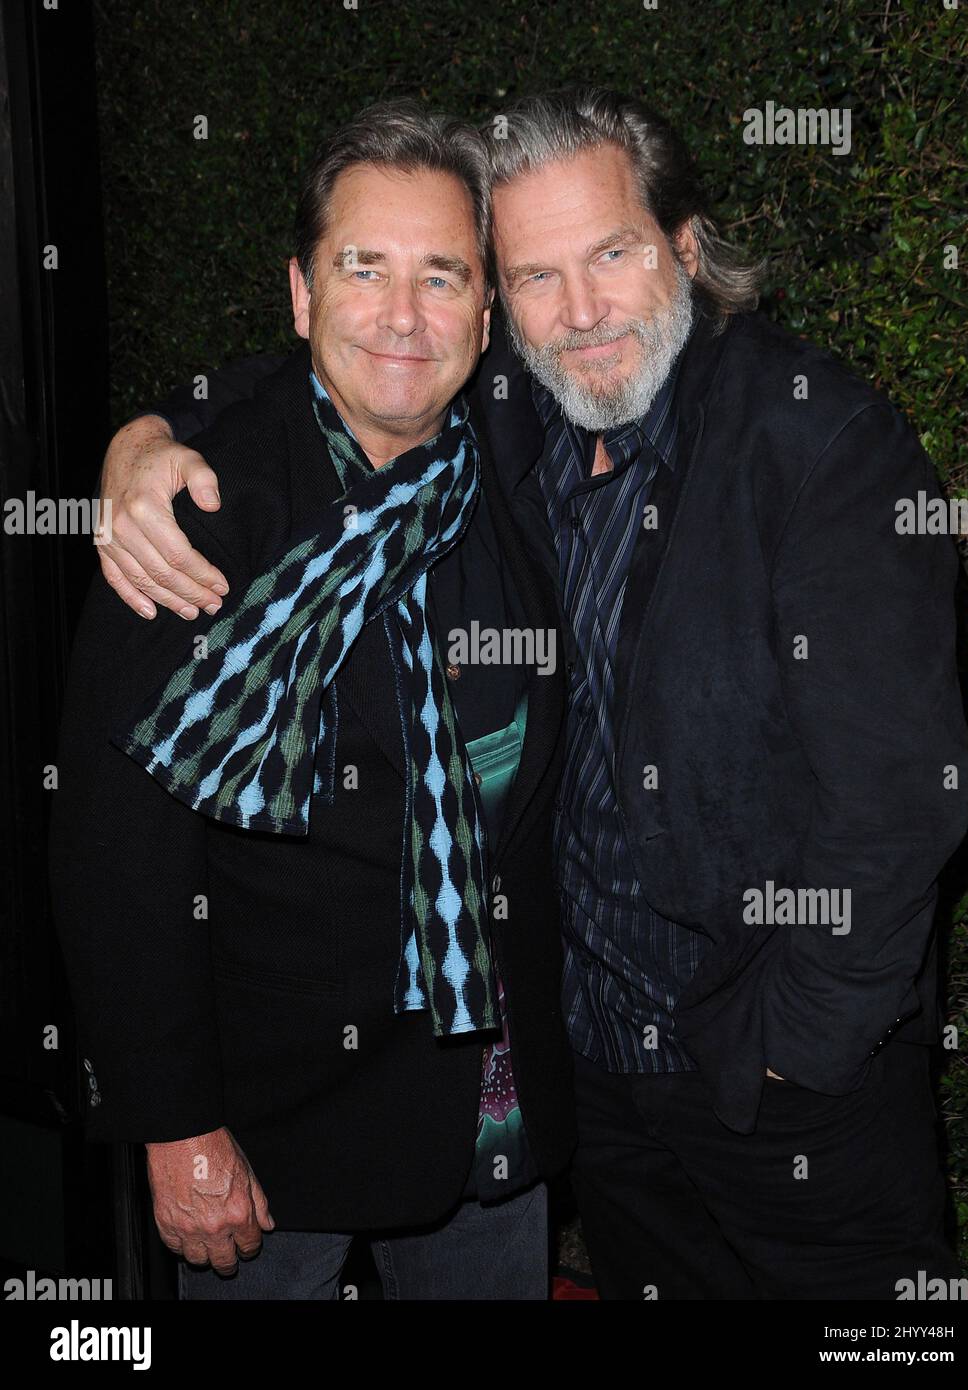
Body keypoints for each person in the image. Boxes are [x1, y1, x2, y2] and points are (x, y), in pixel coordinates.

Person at [95, 88, 968, 1300]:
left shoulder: (816, 446)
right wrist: (145, 439)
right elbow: (361, 359)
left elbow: (898, 804)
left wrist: (794, 1052)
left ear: (681, 246)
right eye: (538, 276)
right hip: (596, 1081)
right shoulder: (523, 425)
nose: (582, 312)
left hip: (777, 1081)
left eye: (610, 254)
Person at [49, 99, 575, 1302]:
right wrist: (174, 1129)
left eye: (441, 277)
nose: (402, 315)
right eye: (362, 268)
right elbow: (113, 856)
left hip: (491, 1120)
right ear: (300, 295)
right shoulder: (197, 511)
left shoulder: (516, 461)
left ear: (485, 315)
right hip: (262, 1146)